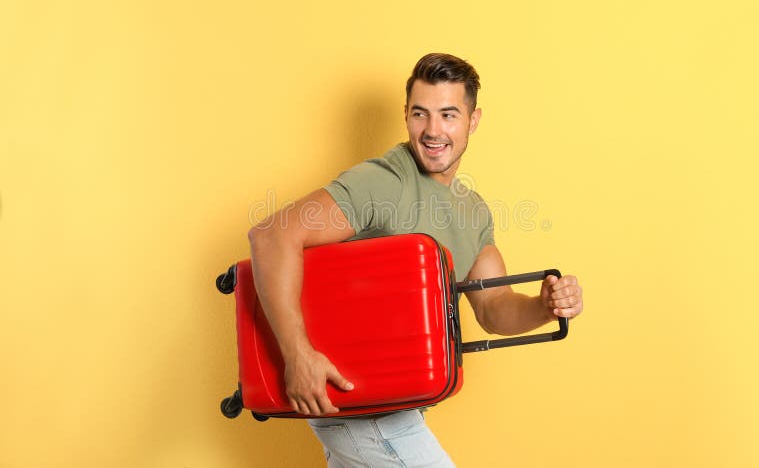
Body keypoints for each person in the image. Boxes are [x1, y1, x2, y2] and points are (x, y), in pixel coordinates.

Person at [248, 53, 584, 467]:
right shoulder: (383, 181)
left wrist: (543, 306)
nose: (433, 130)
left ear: (473, 121)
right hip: (363, 406)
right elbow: (270, 238)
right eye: (420, 114)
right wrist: (298, 357)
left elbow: (494, 308)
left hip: (400, 401)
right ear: (406, 115)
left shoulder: (472, 211)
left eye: (448, 114)